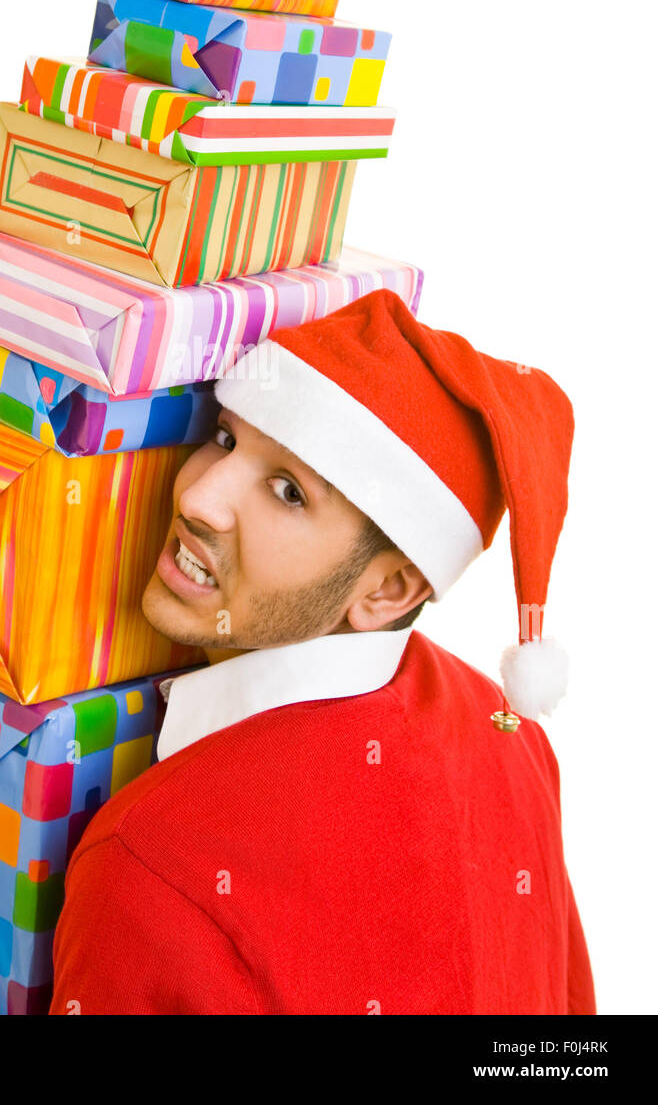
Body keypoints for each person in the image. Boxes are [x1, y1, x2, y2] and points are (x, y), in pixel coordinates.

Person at [50, 290, 595, 1015]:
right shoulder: (509, 734)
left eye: (288, 492)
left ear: (390, 588)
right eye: (224, 438)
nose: (200, 499)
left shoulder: (152, 862)